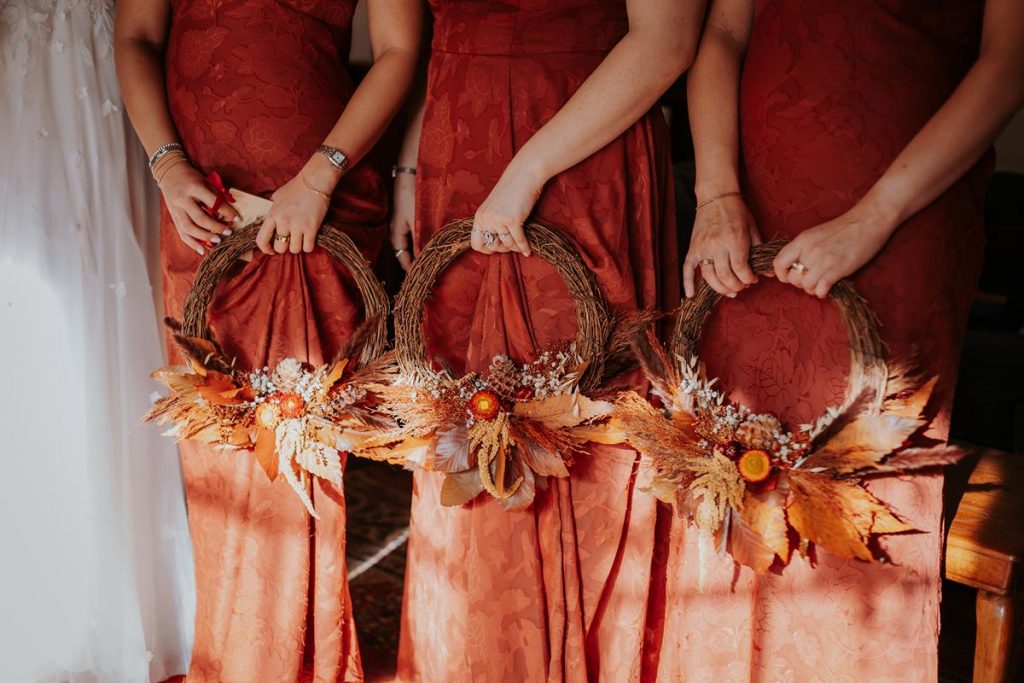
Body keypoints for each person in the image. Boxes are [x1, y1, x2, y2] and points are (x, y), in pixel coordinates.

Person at [668, 0, 1024, 679]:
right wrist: (716, 193)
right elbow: (722, 30)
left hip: (904, 214)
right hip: (752, 205)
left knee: (859, 499)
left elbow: (1009, 64)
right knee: (730, 467)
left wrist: (875, 216)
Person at [388, 1, 704, 679]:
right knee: (463, 415)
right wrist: (411, 169)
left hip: (578, 156)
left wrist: (528, 170)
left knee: (576, 422)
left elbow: (667, 41)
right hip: (457, 155)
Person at [115, 1, 421, 680]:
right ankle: (229, 656)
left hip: (315, 201)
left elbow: (401, 49)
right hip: (200, 202)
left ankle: (286, 662)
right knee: (216, 448)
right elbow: (135, 35)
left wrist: (321, 174)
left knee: (296, 448)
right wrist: (166, 166)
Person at [0, 2, 195, 681]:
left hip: (113, 88)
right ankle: (41, 596)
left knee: (118, 314)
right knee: (36, 314)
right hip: (22, 90)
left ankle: (121, 585)